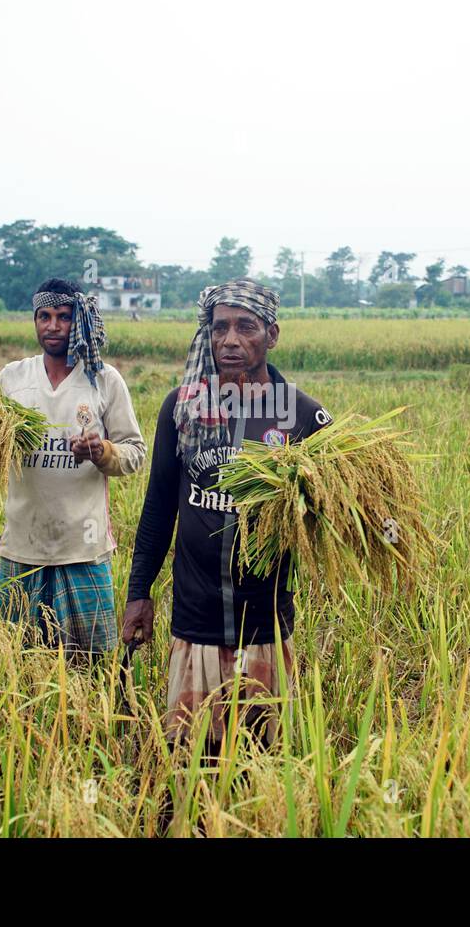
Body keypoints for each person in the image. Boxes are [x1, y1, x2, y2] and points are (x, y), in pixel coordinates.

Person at [122, 278, 332, 751]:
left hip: (265, 627)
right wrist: (139, 592)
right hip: (194, 624)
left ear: (272, 335)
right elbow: (158, 508)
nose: (230, 341)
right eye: (220, 329)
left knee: (262, 768)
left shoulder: (302, 416)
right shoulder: (182, 408)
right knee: (190, 761)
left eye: (246, 327)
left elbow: (336, 509)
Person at [0, 279, 146, 660]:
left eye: (63, 317)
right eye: (44, 316)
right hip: (21, 548)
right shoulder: (13, 378)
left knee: (92, 666)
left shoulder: (104, 380)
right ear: (34, 320)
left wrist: (101, 451)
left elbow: (135, 452)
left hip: (83, 548)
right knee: (16, 664)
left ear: (79, 320)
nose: (53, 325)